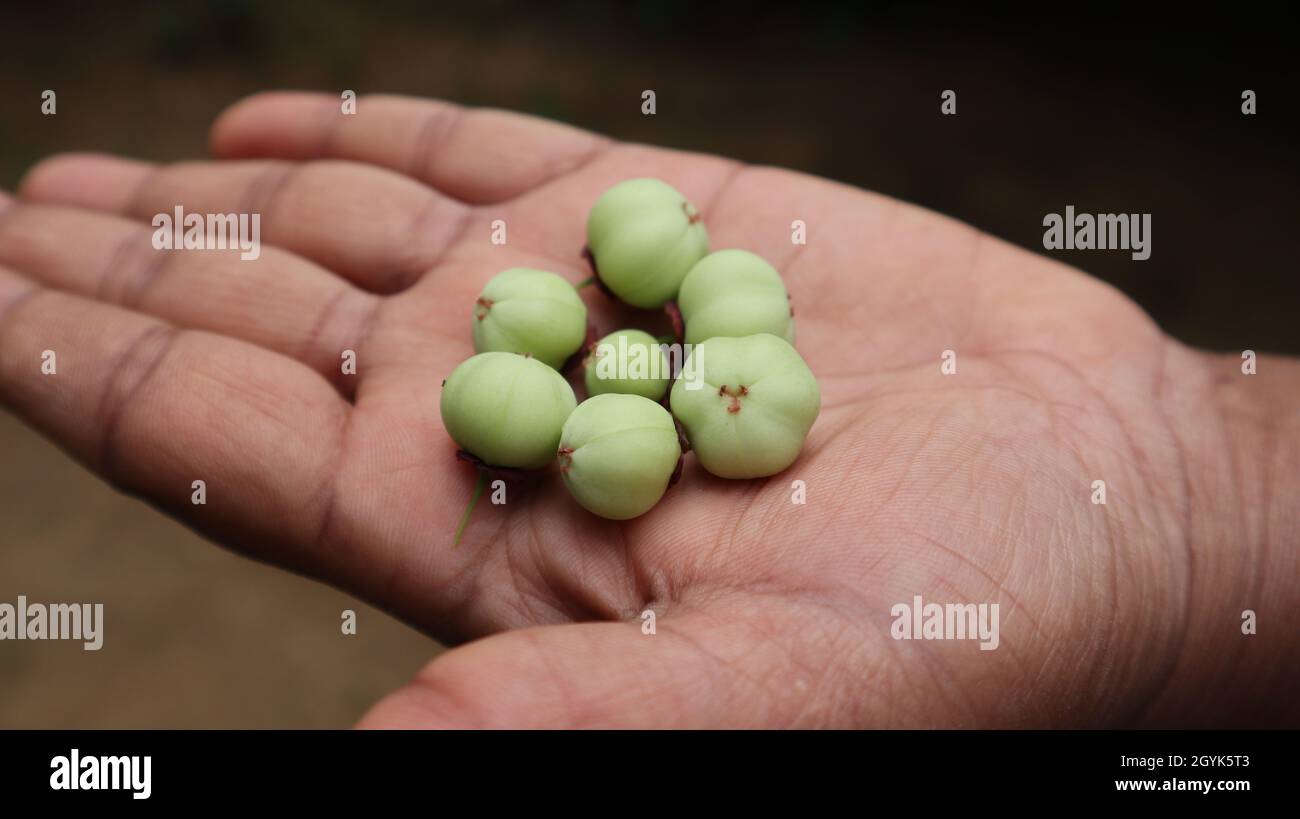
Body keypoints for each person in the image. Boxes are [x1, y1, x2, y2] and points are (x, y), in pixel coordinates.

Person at [0, 92, 1294, 728]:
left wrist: (1195, 495)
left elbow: (643, 387)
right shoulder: (641, 365)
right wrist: (1207, 490)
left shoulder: (687, 366)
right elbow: (584, 376)